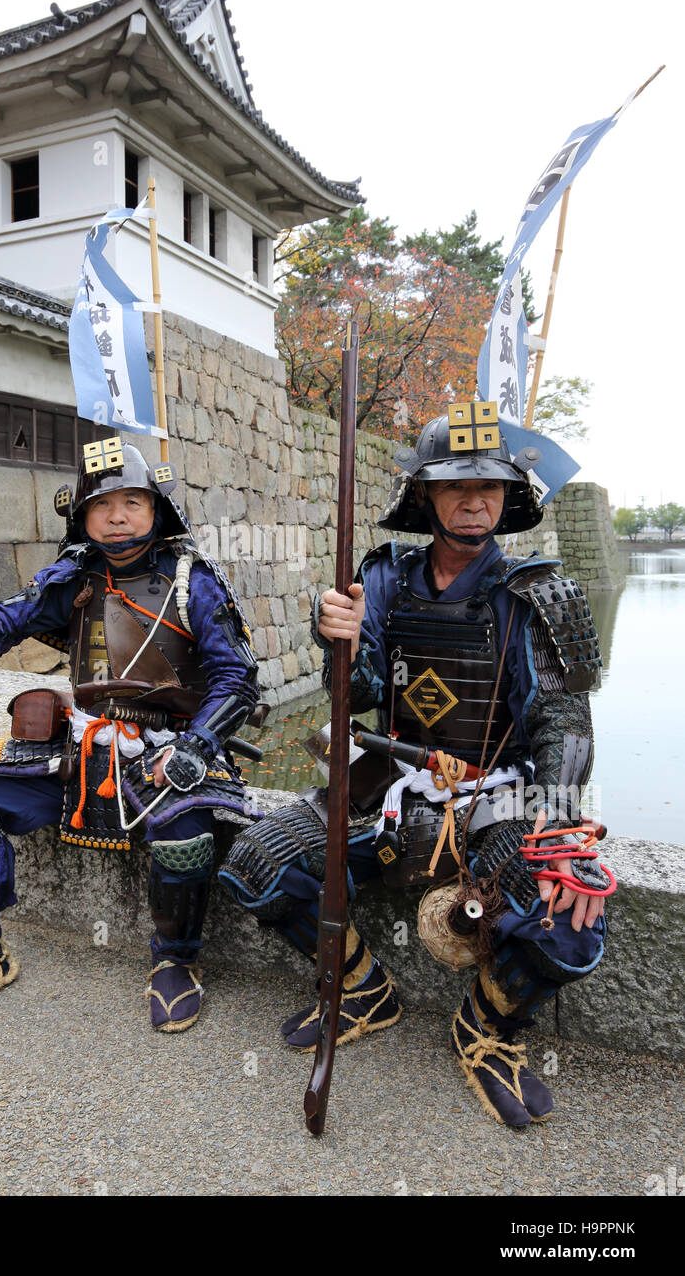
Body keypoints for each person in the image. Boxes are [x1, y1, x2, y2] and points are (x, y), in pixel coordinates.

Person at [220, 402, 610, 1128]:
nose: (474, 500)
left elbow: (564, 720)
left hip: (497, 797)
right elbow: (359, 693)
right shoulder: (385, 578)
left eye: (489, 486)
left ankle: (487, 1027)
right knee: (256, 866)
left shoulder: (538, 595)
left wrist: (559, 827)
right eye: (456, 486)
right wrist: (337, 633)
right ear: (425, 496)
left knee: (568, 922)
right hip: (394, 785)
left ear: (509, 496)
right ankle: (364, 988)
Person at [0, 441, 260, 1031]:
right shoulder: (73, 577)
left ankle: (176, 962)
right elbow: (1, 624)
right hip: (82, 751)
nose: (118, 515)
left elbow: (238, 679)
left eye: (133, 501)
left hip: (169, 752)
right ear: (81, 514)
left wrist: (196, 749)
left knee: (185, 835)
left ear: (157, 509)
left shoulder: (192, 579)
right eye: (102, 504)